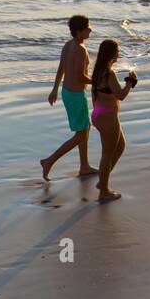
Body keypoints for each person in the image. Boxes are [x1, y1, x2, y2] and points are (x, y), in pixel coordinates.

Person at [41, 15, 98, 181]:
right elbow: (81, 77)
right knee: (81, 134)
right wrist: (98, 81)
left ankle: (84, 166)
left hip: (67, 92)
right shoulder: (80, 50)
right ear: (79, 32)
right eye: (87, 28)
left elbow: (61, 68)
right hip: (76, 95)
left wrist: (54, 90)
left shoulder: (68, 45)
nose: (90, 30)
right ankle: (49, 161)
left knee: (84, 128)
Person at [90, 39, 137, 202]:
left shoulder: (98, 71)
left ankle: (102, 181)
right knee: (107, 154)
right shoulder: (109, 74)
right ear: (111, 54)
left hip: (99, 113)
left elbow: (95, 95)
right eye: (117, 51)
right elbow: (121, 95)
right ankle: (103, 191)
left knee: (120, 146)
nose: (118, 54)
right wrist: (130, 82)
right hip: (107, 117)